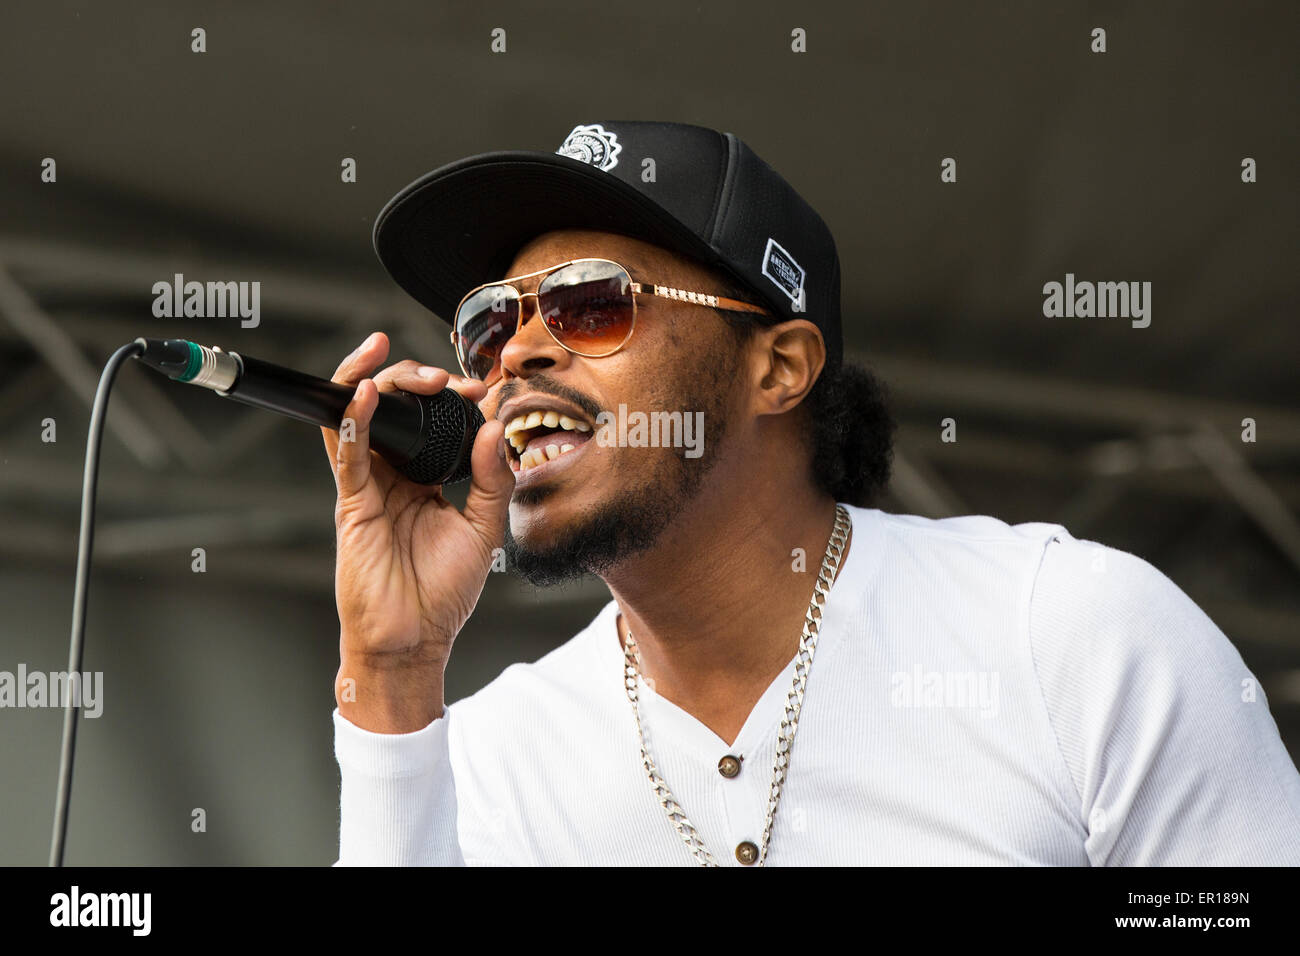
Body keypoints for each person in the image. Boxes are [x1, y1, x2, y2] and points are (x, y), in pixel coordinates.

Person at [321, 121, 1300, 865]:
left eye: (590, 303)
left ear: (778, 367)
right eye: (489, 325)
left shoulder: (1071, 636)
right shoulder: (493, 757)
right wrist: (394, 670)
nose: (519, 352)